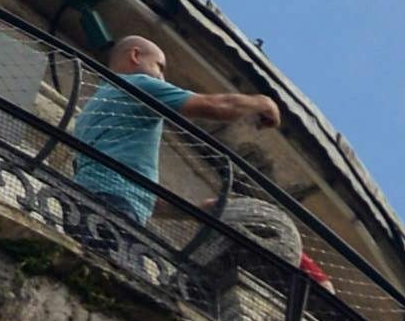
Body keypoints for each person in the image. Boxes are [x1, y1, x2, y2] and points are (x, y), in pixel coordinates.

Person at [62, 26, 282, 239]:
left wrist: (194, 210)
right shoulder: (140, 84)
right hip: (117, 209)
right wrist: (262, 102)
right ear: (135, 56)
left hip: (84, 204)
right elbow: (212, 105)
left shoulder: (91, 111)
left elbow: (136, 192)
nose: (163, 80)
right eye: (160, 67)